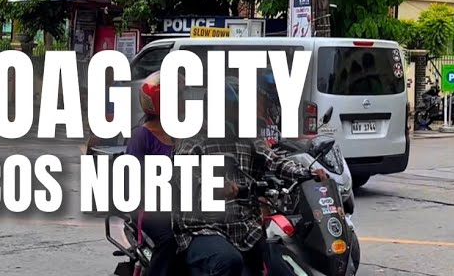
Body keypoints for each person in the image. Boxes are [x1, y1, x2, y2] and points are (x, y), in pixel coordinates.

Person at [172, 78, 321, 276]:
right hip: (203, 229)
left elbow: (274, 160)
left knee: (286, 255)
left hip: (245, 228)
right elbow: (186, 176)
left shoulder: (247, 135)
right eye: (237, 109)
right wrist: (216, 187)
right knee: (228, 261)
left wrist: (308, 172)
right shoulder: (193, 139)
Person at [125, 73, 177, 276]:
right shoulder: (141, 135)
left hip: (180, 205)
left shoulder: (181, 134)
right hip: (148, 207)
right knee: (169, 241)